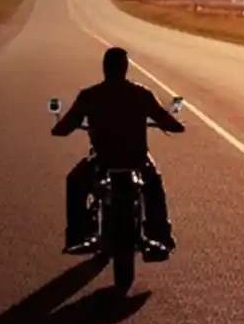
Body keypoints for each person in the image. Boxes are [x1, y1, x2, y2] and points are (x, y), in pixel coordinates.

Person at [52, 47, 185, 261]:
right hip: (137, 159)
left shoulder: (90, 95)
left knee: (75, 181)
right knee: (154, 186)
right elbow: (168, 122)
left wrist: (58, 127)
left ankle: (76, 236)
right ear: (125, 68)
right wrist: (176, 124)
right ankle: (161, 235)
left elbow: (65, 127)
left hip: (102, 161)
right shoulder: (142, 93)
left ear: (105, 68)